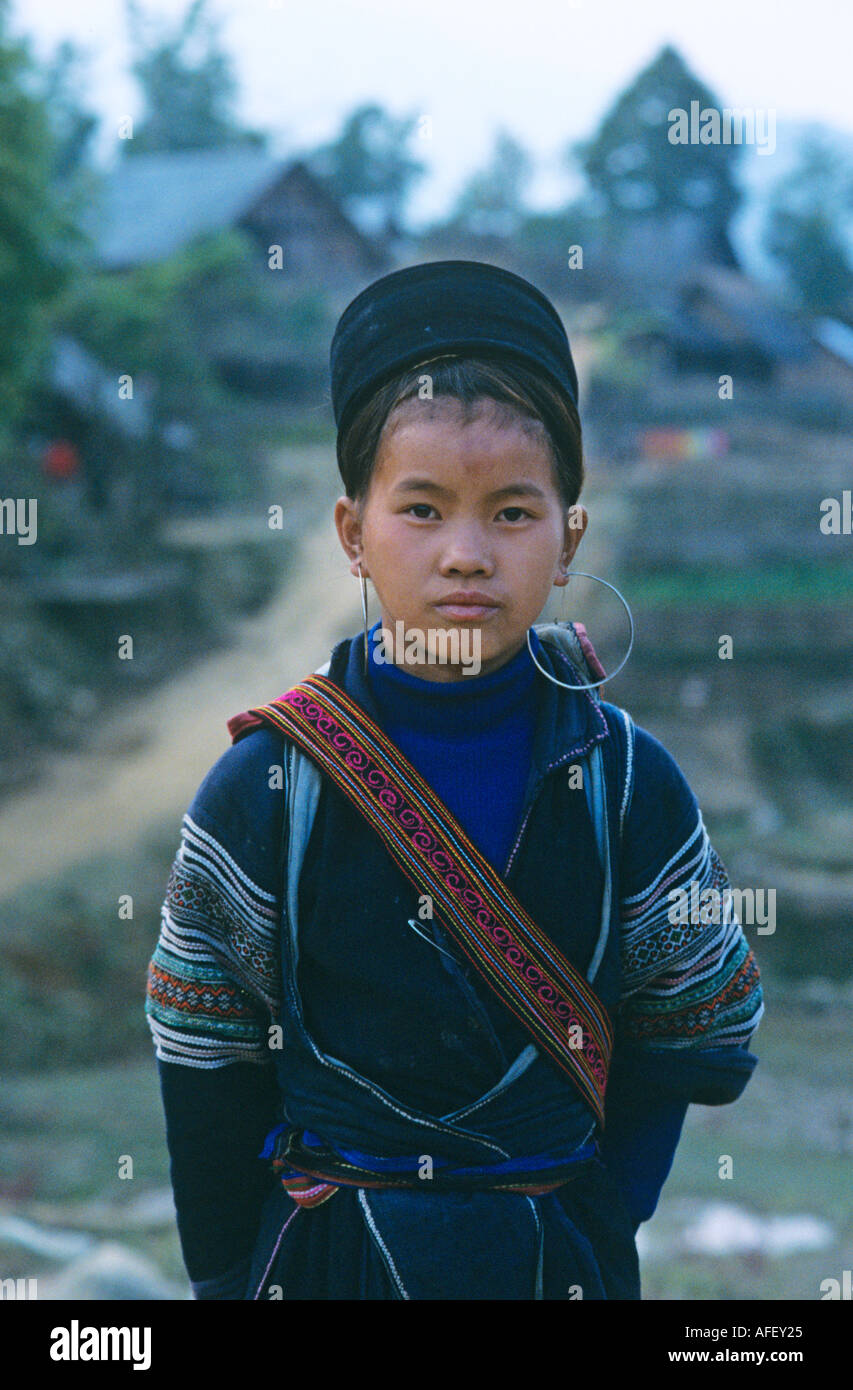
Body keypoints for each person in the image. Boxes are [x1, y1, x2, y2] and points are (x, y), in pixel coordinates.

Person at [145, 260, 764, 1300]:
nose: (466, 554)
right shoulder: (264, 790)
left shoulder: (628, 788)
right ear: (353, 534)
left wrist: (605, 1212)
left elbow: (694, 1026)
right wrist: (224, 1281)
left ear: (568, 537)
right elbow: (204, 1058)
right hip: (329, 1269)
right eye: (422, 509)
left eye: (512, 513)